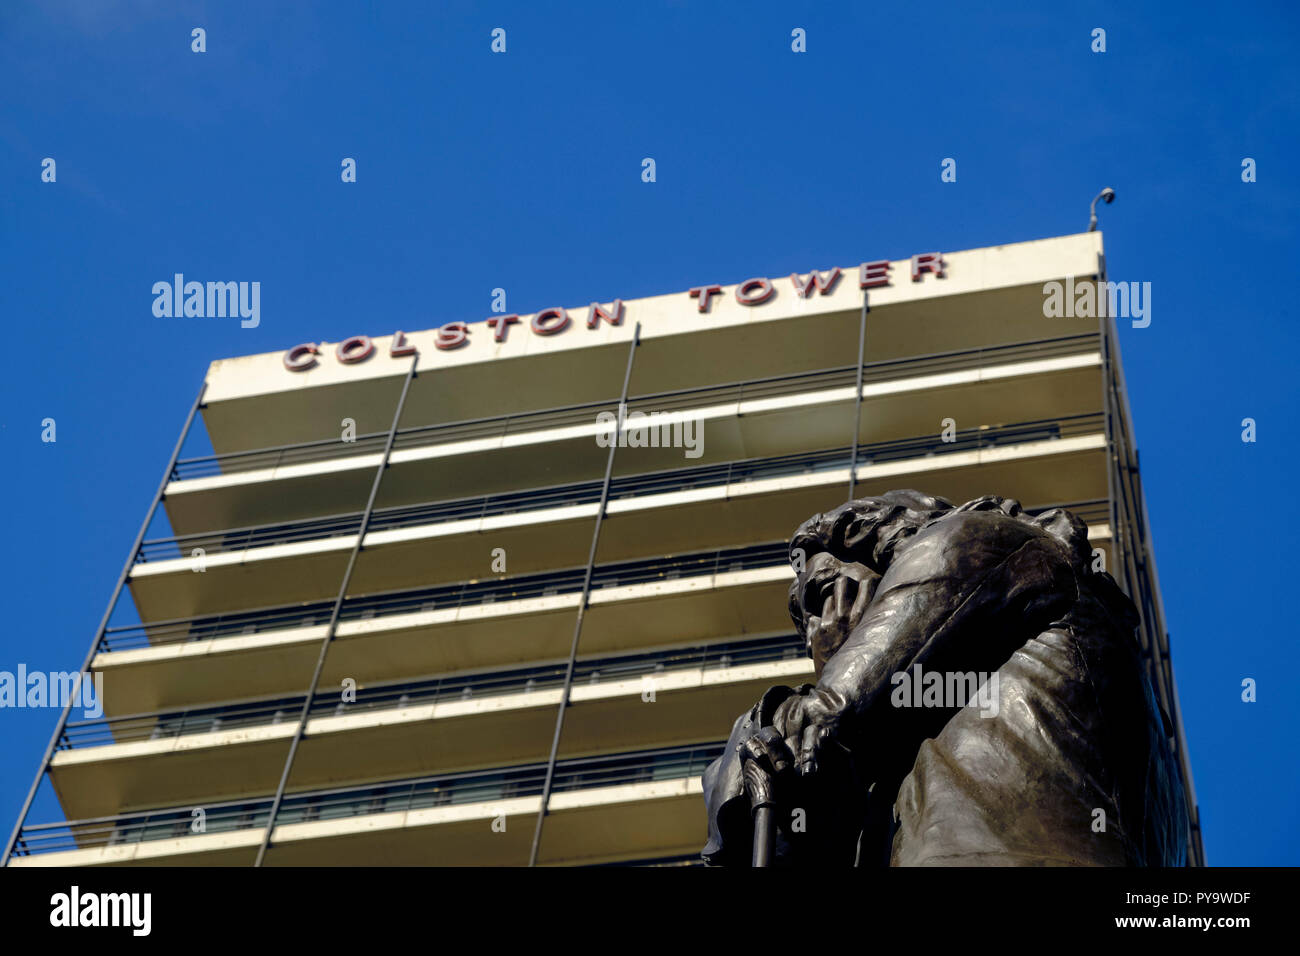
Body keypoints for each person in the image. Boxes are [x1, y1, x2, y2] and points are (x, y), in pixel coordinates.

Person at [702, 490, 1188, 866]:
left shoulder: (985, 541)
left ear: (888, 551)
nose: (818, 629)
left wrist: (825, 686)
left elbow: (820, 720)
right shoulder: (919, 723)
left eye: (827, 593)